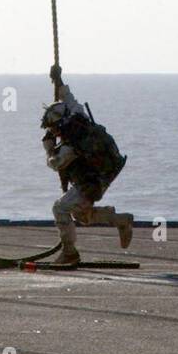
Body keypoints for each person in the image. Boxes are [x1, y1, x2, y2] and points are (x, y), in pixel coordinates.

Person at [42, 65, 133, 266]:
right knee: (81, 215)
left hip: (91, 181)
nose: (54, 134)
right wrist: (57, 79)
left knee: (60, 209)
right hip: (105, 172)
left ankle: (69, 252)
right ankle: (121, 220)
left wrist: (48, 147)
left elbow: (55, 164)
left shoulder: (69, 148)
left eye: (54, 130)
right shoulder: (78, 115)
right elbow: (68, 96)